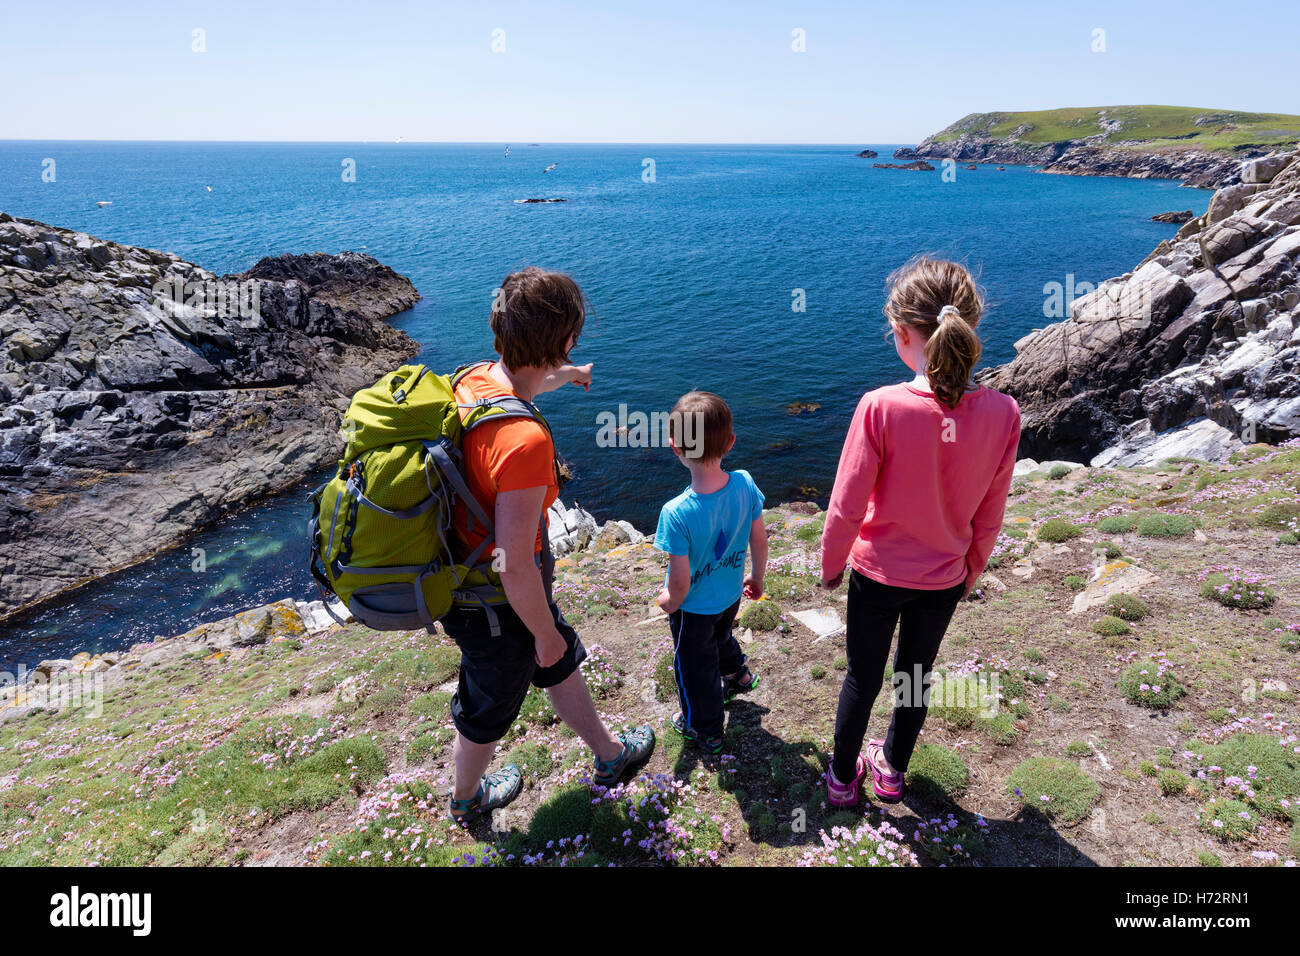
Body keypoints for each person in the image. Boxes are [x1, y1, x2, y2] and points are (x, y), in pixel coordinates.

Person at [442, 267, 654, 823]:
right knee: (489, 704)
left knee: (560, 660)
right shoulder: (525, 442)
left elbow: (525, 382)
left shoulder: (475, 379)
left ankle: (609, 755)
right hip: (495, 600)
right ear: (564, 340)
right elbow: (513, 563)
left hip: (476, 579)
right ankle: (465, 799)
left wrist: (570, 375)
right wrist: (539, 630)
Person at [819, 257, 1021, 807]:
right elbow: (991, 512)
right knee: (915, 676)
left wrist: (831, 566)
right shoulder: (1004, 412)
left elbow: (844, 506)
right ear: (970, 329)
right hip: (944, 578)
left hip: (876, 573)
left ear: (903, 335)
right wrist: (971, 570)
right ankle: (891, 773)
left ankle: (841, 780)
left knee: (863, 678)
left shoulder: (880, 407)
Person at [654, 390, 767, 754]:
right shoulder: (745, 483)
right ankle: (739, 674)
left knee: (694, 667)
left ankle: (705, 728)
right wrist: (757, 577)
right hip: (732, 594)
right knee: (721, 638)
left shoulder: (676, 513)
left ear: (675, 448)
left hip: (693, 610)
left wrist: (669, 600)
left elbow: (681, 581)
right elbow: (759, 540)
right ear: (730, 442)